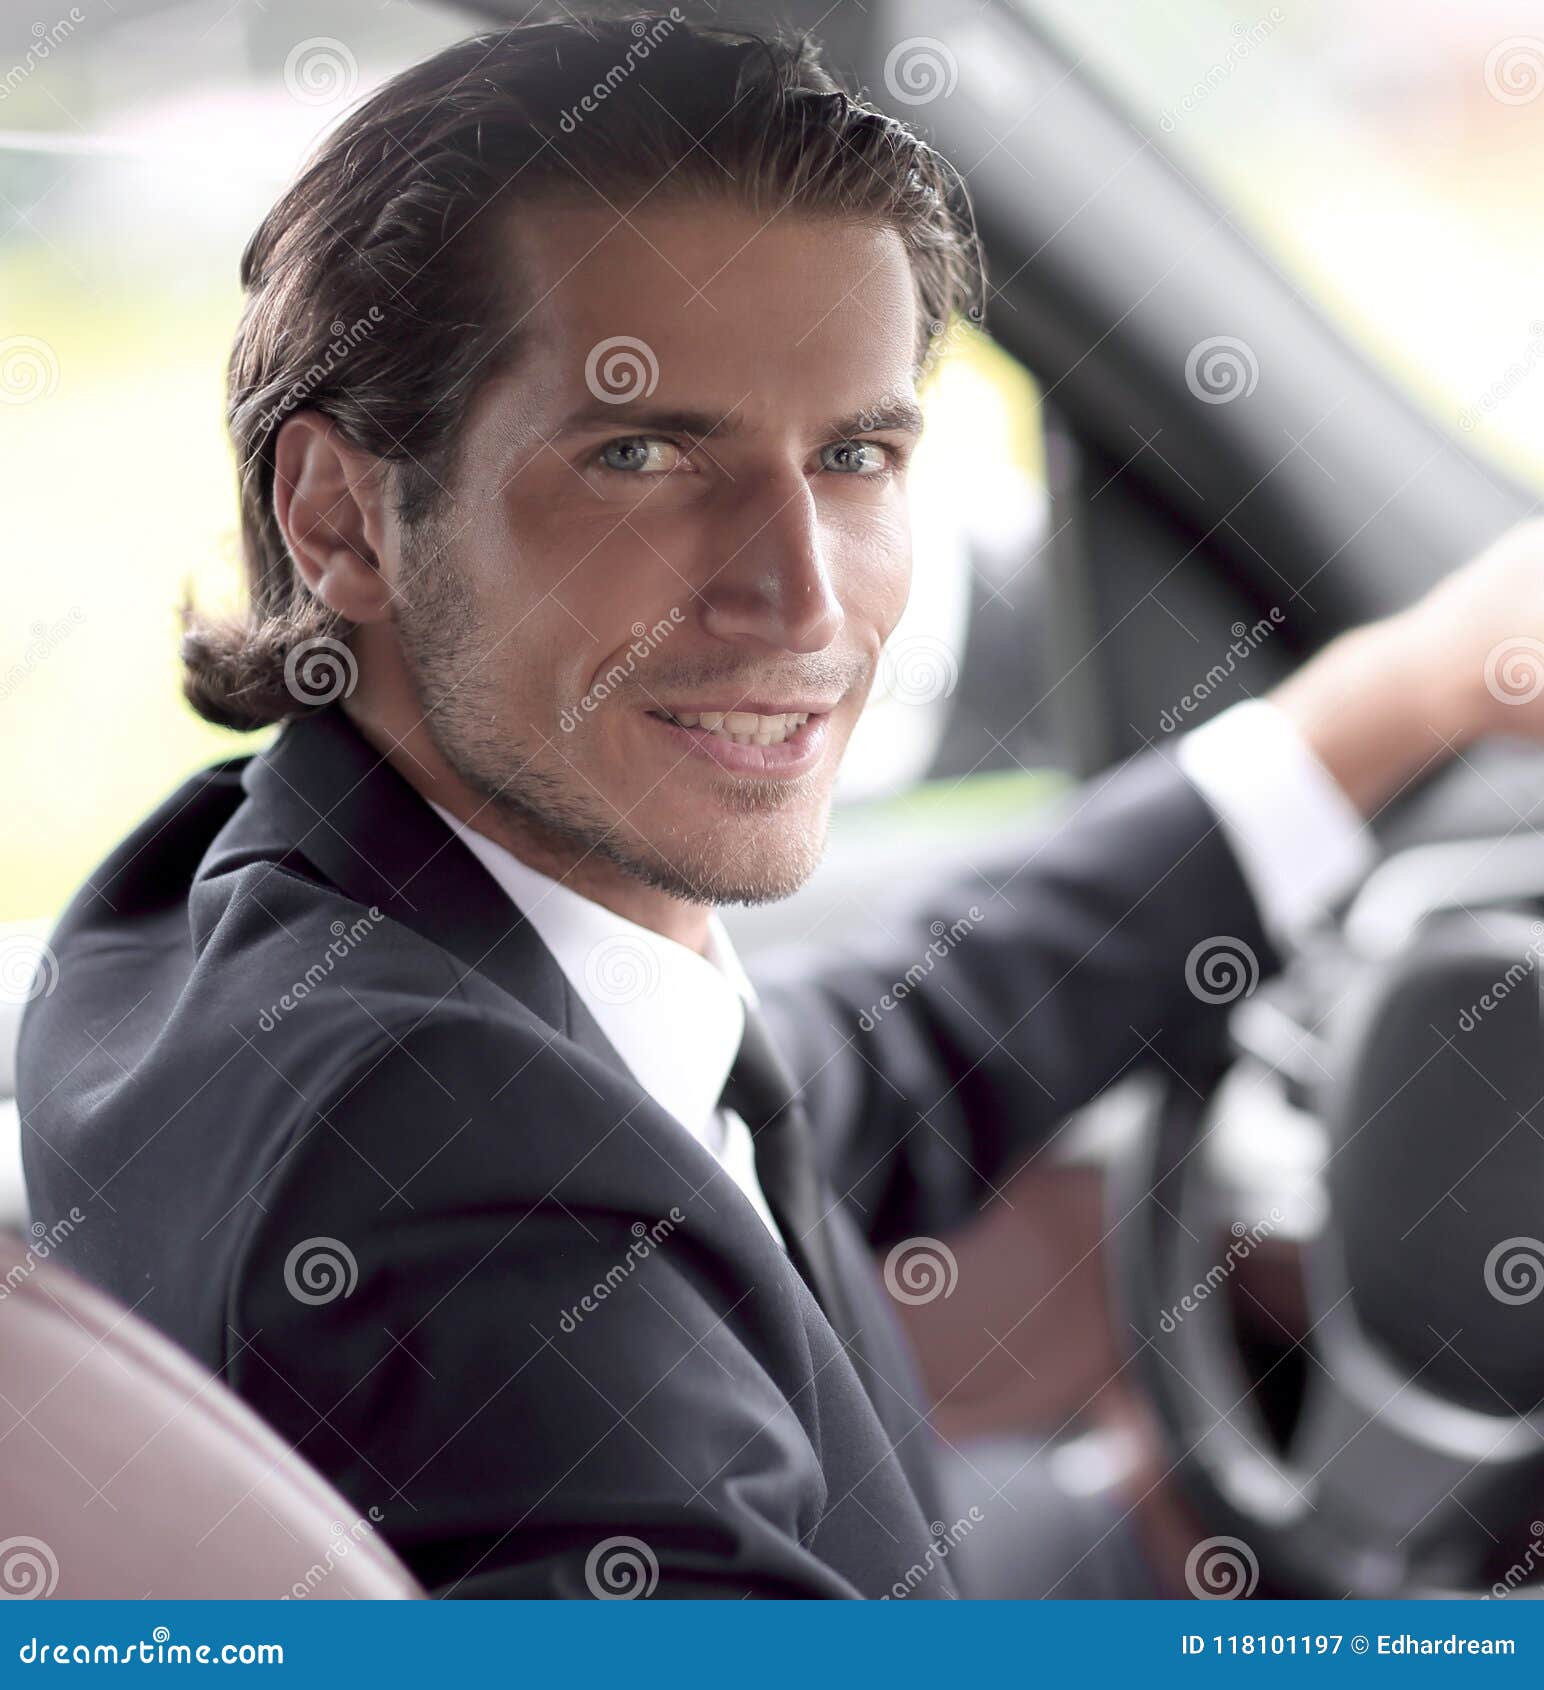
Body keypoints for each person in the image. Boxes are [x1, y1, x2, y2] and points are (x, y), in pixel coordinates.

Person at [18, 14, 1544, 1599]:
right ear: (340, 515)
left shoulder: (274, 893)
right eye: (644, 454)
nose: (802, 597)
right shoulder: (480, 1208)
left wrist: (1414, 690)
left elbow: (858, 1064)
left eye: (857, 454)